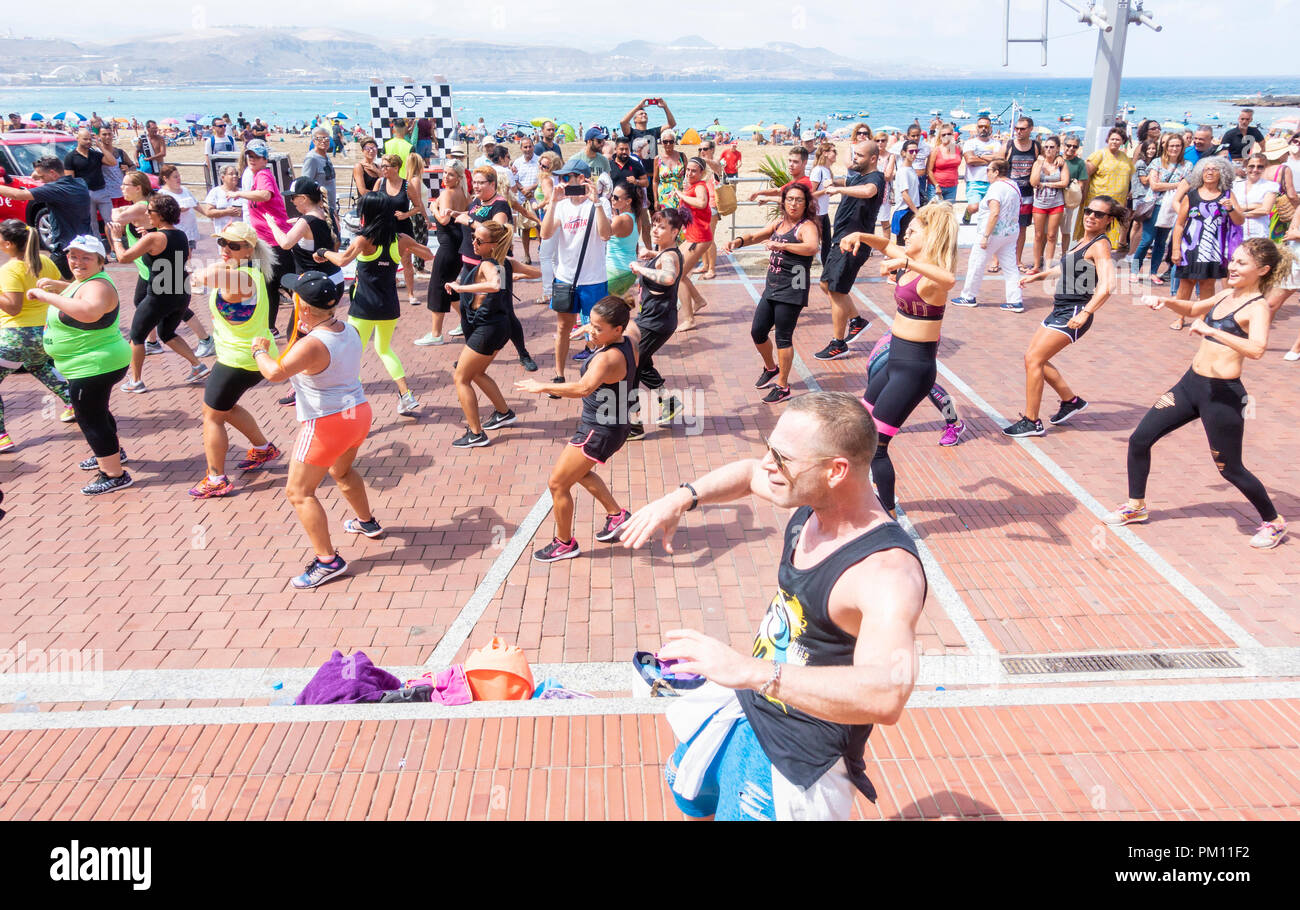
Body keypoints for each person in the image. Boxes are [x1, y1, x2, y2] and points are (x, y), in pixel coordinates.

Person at [617, 392, 927, 821]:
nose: (766, 465)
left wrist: (749, 671)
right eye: (769, 449)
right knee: (690, 799)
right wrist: (681, 499)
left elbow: (887, 694)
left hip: (796, 758)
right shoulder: (814, 499)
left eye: (780, 459)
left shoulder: (886, 573)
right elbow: (747, 474)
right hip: (746, 706)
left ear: (836, 470)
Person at [1112, 239, 1289, 549]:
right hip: (1190, 385)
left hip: (1223, 396)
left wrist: (1212, 332)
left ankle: (1274, 523)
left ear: (1262, 270)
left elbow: (1258, 349)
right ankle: (1135, 506)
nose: (1233, 267)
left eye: (1242, 263)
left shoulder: (1257, 306)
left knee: (1230, 469)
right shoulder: (1226, 294)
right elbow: (1194, 308)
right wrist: (1166, 301)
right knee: (1140, 439)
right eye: (1233, 260)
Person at [250, 272, 380, 589]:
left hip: (328, 422)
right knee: (342, 472)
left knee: (298, 492)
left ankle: (328, 561)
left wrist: (258, 350)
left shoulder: (312, 344)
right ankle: (367, 522)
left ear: (304, 308)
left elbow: (275, 373)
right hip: (357, 414)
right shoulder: (346, 329)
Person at [840, 202, 958, 516]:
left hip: (914, 371)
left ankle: (888, 514)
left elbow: (949, 280)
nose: (905, 237)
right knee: (861, 423)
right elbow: (885, 244)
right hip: (895, 360)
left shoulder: (931, 277)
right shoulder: (912, 261)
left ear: (930, 237)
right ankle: (861, 493)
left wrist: (905, 259)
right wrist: (861, 236)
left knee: (876, 446)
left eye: (912, 232)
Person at [516, 296, 639, 562]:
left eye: (598, 328)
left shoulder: (607, 359)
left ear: (617, 329)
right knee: (580, 473)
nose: (591, 331)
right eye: (591, 325)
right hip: (613, 424)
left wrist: (543, 386)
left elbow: (583, 388)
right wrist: (591, 330)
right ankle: (617, 516)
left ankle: (564, 544)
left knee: (558, 483)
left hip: (599, 430)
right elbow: (631, 325)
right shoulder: (629, 340)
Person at [1003, 195, 1121, 438]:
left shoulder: (1100, 245)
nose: (1091, 216)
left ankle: (1031, 421)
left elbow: (1108, 284)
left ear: (1108, 220)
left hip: (1076, 311)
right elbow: (1067, 267)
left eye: (1099, 214)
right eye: (1089, 211)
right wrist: (1038, 276)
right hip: (1061, 309)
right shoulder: (1082, 242)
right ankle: (1071, 401)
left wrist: (1087, 312)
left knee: (1035, 359)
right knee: (1032, 359)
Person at [25, 236, 133, 495]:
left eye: (86, 257)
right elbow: (81, 292)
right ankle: (111, 454)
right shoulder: (85, 282)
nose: (77, 262)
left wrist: (45, 296)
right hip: (90, 363)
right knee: (98, 412)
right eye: (73, 256)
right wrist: (59, 286)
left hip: (94, 365)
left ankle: (114, 474)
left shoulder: (98, 286)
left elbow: (89, 310)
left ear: (100, 260)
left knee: (90, 418)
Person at [313, 193, 432, 418]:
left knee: (351, 354)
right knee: (384, 349)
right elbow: (429, 254)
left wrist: (322, 252)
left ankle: (352, 406)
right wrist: (406, 250)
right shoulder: (401, 239)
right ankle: (406, 395)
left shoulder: (363, 240)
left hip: (363, 307)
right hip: (389, 305)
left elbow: (342, 261)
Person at [186, 222, 282, 498]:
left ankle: (216, 478)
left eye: (234, 245)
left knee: (212, 416)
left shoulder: (242, 279)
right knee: (225, 408)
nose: (226, 249)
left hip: (239, 360)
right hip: (245, 356)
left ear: (249, 249)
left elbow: (202, 277)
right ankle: (264, 449)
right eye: (222, 243)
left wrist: (205, 273)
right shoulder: (248, 271)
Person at [440, 220, 541, 449]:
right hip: (497, 327)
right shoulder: (507, 263)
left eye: (479, 240)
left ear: (493, 246)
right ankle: (504, 413)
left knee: (461, 377)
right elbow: (538, 272)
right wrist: (516, 276)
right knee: (476, 373)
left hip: (488, 328)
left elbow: (494, 285)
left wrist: (460, 288)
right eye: (474, 237)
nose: (473, 242)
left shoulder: (488, 264)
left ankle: (476, 434)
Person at [723, 182, 820, 404]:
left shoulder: (807, 226)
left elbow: (811, 247)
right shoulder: (779, 223)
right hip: (773, 285)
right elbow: (758, 236)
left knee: (783, 337)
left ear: (806, 204)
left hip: (794, 286)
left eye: (799, 200)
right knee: (757, 332)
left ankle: (783, 386)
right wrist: (738, 242)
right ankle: (771, 367)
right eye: (790, 199)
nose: (794, 204)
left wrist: (783, 246)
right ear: (783, 202)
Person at [106, 193, 210, 392]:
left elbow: (123, 258)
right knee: (166, 332)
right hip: (181, 293)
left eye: (150, 211)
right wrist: (148, 239)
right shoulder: (180, 234)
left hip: (159, 296)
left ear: (160, 215)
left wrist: (117, 239)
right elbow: (178, 254)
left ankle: (135, 381)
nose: (147, 213)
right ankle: (198, 365)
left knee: (136, 336)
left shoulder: (155, 237)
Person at [0, 220, 76, 452]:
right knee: (39, 366)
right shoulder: (43, 261)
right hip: (45, 333)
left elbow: (13, 307)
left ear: (9, 244)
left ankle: (1, 436)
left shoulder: (10, 269)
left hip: (16, 336)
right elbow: (64, 287)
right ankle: (73, 402)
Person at [453, 166, 537, 371]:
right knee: (466, 310)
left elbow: (496, 231)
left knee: (505, 310)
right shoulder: (476, 201)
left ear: (492, 184)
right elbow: (474, 218)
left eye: (482, 182)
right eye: (476, 182)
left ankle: (523, 354)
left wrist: (469, 221)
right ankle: (469, 353)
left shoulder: (500, 204)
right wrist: (459, 214)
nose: (477, 186)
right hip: (470, 263)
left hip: (493, 263)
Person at [542, 161, 611, 389]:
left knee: (597, 329)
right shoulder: (561, 206)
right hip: (566, 277)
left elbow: (605, 235)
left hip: (594, 279)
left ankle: (596, 375)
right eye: (561, 179)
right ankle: (559, 374)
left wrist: (597, 203)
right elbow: (545, 233)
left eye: (567, 178)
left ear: (581, 178)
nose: (563, 183)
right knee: (563, 327)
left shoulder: (600, 204)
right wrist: (552, 202)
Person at [813, 140, 882, 360]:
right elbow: (843, 172)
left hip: (854, 243)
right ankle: (857, 320)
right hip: (839, 240)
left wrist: (839, 189)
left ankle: (838, 343)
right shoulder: (857, 176)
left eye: (860, 156)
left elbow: (868, 191)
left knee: (837, 291)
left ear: (872, 159)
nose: (855, 160)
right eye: (855, 155)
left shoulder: (875, 178)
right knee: (826, 285)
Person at [625, 208, 687, 440]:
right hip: (652, 318)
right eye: (654, 225)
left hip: (656, 321)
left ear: (675, 232)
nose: (656, 230)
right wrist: (652, 256)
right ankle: (670, 403)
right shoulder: (665, 253)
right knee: (642, 362)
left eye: (662, 227)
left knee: (630, 368)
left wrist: (641, 268)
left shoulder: (669, 257)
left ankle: (634, 424)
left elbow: (669, 277)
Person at [1168, 157, 1243, 331]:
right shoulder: (1192, 195)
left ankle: (1202, 319)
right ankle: (1180, 317)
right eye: (1206, 169)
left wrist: (1231, 208)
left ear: (1222, 173)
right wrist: (1175, 249)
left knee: (1207, 285)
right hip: (1191, 246)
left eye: (1214, 169)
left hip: (1214, 249)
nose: (1209, 172)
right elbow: (1180, 224)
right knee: (1186, 283)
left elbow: (1239, 221)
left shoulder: (1227, 195)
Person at [228, 140, 294, 333]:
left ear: (265, 159)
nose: (252, 159)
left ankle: (306, 322)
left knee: (288, 284)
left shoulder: (264, 174)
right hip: (266, 241)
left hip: (276, 242)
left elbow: (265, 195)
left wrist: (240, 193)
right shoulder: (256, 176)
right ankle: (270, 327)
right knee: (269, 285)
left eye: (257, 156)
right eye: (250, 156)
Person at [0, 157, 90, 280]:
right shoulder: (80, 182)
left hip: (66, 248)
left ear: (53, 173)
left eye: (42, 177)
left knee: (50, 285)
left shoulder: (55, 189)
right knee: (84, 283)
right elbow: (34, 176)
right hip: (87, 243)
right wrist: (39, 171)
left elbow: (18, 195)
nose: (41, 181)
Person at [951, 159, 1023, 311]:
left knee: (976, 263)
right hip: (1010, 232)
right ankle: (1015, 299)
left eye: (989, 170)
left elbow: (994, 212)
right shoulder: (1013, 185)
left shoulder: (996, 188)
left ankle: (968, 296)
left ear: (997, 172)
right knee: (1010, 267)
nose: (987, 174)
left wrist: (985, 235)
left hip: (993, 233)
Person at [417, 161, 468, 346]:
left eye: (451, 174)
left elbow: (444, 220)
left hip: (448, 247)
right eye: (445, 173)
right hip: (457, 246)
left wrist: (434, 208)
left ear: (459, 178)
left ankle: (436, 334)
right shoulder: (464, 194)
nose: (446, 177)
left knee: (437, 289)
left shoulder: (447, 193)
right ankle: (466, 321)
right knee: (450, 287)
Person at [1132, 134, 1190, 284]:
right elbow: (1154, 185)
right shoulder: (1157, 163)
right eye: (1171, 145)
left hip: (1171, 207)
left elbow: (1187, 186)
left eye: (1178, 145)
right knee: (1147, 239)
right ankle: (1134, 270)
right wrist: (1178, 185)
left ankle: (1153, 272)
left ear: (1182, 147)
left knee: (1161, 241)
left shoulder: (1187, 165)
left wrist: (1174, 185)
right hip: (1155, 204)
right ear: (1165, 146)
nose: (1174, 149)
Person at [672, 157, 714, 331]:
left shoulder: (700, 187)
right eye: (688, 170)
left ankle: (689, 319)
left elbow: (702, 202)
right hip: (692, 237)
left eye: (694, 171)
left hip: (699, 238)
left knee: (677, 276)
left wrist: (681, 195)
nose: (689, 173)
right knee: (677, 270)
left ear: (701, 173)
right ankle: (698, 300)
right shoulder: (690, 186)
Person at [1080, 127, 1134, 249]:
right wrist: (1084, 194)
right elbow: (1086, 174)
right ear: (1107, 140)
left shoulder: (1125, 157)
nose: (1114, 142)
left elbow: (1130, 176)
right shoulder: (1100, 154)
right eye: (1112, 139)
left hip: (1117, 203)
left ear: (1122, 141)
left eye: (1118, 139)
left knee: (1110, 231)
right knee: (1094, 229)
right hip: (1099, 202)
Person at [63, 129, 117, 246]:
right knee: (92, 224)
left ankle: (114, 248)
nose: (88, 141)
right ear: (78, 139)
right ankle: (98, 247)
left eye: (90, 139)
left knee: (110, 221)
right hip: (85, 194)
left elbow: (113, 162)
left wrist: (100, 146)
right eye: (85, 139)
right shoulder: (71, 157)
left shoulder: (95, 154)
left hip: (101, 191)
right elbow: (70, 180)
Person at [1001, 117, 1041, 270]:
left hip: (1027, 194)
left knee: (1021, 228)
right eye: (1016, 128)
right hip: (1009, 194)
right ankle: (997, 260)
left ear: (1030, 129)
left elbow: (1047, 159)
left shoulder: (1036, 147)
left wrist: (1058, 159)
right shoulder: (1009, 145)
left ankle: (1017, 260)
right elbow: (997, 164)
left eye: (1022, 129)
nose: (1018, 131)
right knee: (1002, 226)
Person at [1028, 135, 1070, 273]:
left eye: (1052, 147)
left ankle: (1048, 265)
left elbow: (1064, 182)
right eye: (1046, 147)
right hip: (1040, 203)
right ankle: (1035, 265)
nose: (1049, 150)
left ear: (1057, 149)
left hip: (1056, 203)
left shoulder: (1061, 164)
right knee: (1038, 235)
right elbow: (1034, 183)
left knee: (1052, 235)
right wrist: (1039, 164)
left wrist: (1046, 183)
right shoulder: (1038, 163)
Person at [621, 97, 677, 178]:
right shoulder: (631, 132)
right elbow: (623, 122)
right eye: (641, 114)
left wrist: (665, 107)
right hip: (637, 174)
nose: (644, 115)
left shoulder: (653, 132)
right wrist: (638, 106)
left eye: (645, 114)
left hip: (652, 174)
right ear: (635, 119)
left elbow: (672, 124)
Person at [604, 180, 640, 302]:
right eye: (611, 196)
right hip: (630, 271)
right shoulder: (635, 217)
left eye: (616, 197)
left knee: (598, 309)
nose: (612, 199)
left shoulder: (620, 220)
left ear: (628, 201)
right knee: (623, 305)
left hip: (615, 272)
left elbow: (603, 235)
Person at [961, 116, 1000, 225]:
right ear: (977, 128)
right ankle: (967, 213)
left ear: (990, 128)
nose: (983, 129)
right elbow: (970, 160)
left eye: (986, 126)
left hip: (992, 182)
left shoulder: (996, 143)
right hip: (974, 181)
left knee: (991, 210)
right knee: (974, 207)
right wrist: (989, 159)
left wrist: (979, 156)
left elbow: (999, 159)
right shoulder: (970, 143)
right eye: (980, 126)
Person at [1231, 152, 1279, 241]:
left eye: (1260, 167)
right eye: (1251, 166)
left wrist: (1240, 213)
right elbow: (1230, 208)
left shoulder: (1270, 186)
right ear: (1246, 166)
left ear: (1265, 168)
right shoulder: (1235, 186)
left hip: (1259, 232)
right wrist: (1255, 206)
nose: (1255, 169)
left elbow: (1265, 210)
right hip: (1237, 232)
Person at [512, 136, 542, 264]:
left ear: (533, 146)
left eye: (530, 146)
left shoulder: (539, 161)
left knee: (540, 226)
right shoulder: (517, 163)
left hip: (538, 199)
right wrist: (523, 189)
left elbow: (543, 177)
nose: (528, 149)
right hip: (523, 199)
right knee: (525, 228)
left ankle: (542, 252)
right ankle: (526, 255)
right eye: (525, 147)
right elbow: (515, 180)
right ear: (521, 148)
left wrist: (531, 188)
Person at [156, 165, 200, 250]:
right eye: (175, 177)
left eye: (179, 176)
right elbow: (162, 213)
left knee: (188, 256)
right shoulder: (162, 194)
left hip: (190, 231)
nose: (179, 179)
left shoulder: (185, 189)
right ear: (165, 178)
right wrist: (178, 210)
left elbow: (196, 204)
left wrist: (209, 214)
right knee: (179, 256)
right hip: (176, 232)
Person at [1058, 133, 1089, 252]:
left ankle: (1064, 254)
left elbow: (1082, 184)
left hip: (1067, 202)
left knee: (1065, 231)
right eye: (1068, 145)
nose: (1071, 148)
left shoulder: (1080, 163)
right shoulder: (1057, 159)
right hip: (1052, 201)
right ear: (1063, 145)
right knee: (1050, 233)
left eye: (1074, 146)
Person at [808, 143, 838, 265]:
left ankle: (826, 268)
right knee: (815, 242)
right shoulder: (818, 170)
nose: (836, 153)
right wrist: (826, 190)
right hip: (816, 213)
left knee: (827, 242)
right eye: (833, 151)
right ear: (825, 153)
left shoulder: (828, 171)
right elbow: (810, 194)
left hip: (824, 212)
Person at [301, 127, 338, 223]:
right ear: (314, 140)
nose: (324, 141)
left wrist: (333, 210)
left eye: (326, 138)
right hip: (319, 210)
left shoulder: (326, 156)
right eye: (320, 138)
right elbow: (305, 185)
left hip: (330, 208)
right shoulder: (312, 158)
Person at [889, 140, 922, 242]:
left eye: (916, 151)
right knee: (904, 243)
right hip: (905, 212)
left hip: (911, 210)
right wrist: (916, 212)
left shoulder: (910, 169)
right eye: (911, 151)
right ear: (903, 153)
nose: (914, 154)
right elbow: (905, 194)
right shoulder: (903, 171)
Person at [199, 164, 244, 235]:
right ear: (223, 177)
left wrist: (242, 212)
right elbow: (208, 212)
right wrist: (226, 212)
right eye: (231, 174)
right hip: (223, 233)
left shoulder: (243, 192)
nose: (235, 176)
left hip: (241, 233)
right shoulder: (215, 192)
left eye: (236, 174)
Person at [652, 131, 688, 212]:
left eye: (671, 141)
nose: (668, 144)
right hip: (664, 198)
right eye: (665, 141)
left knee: (681, 222)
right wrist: (656, 200)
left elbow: (688, 177)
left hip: (680, 195)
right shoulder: (658, 159)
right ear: (661, 143)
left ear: (674, 142)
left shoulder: (682, 156)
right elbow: (655, 181)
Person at [926, 125, 962, 204]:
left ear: (952, 135)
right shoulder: (936, 150)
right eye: (944, 135)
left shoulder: (956, 149)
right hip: (937, 186)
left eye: (949, 134)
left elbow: (955, 164)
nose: (946, 136)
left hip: (952, 186)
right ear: (940, 137)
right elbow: (929, 170)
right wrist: (936, 185)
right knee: (935, 212)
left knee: (948, 212)